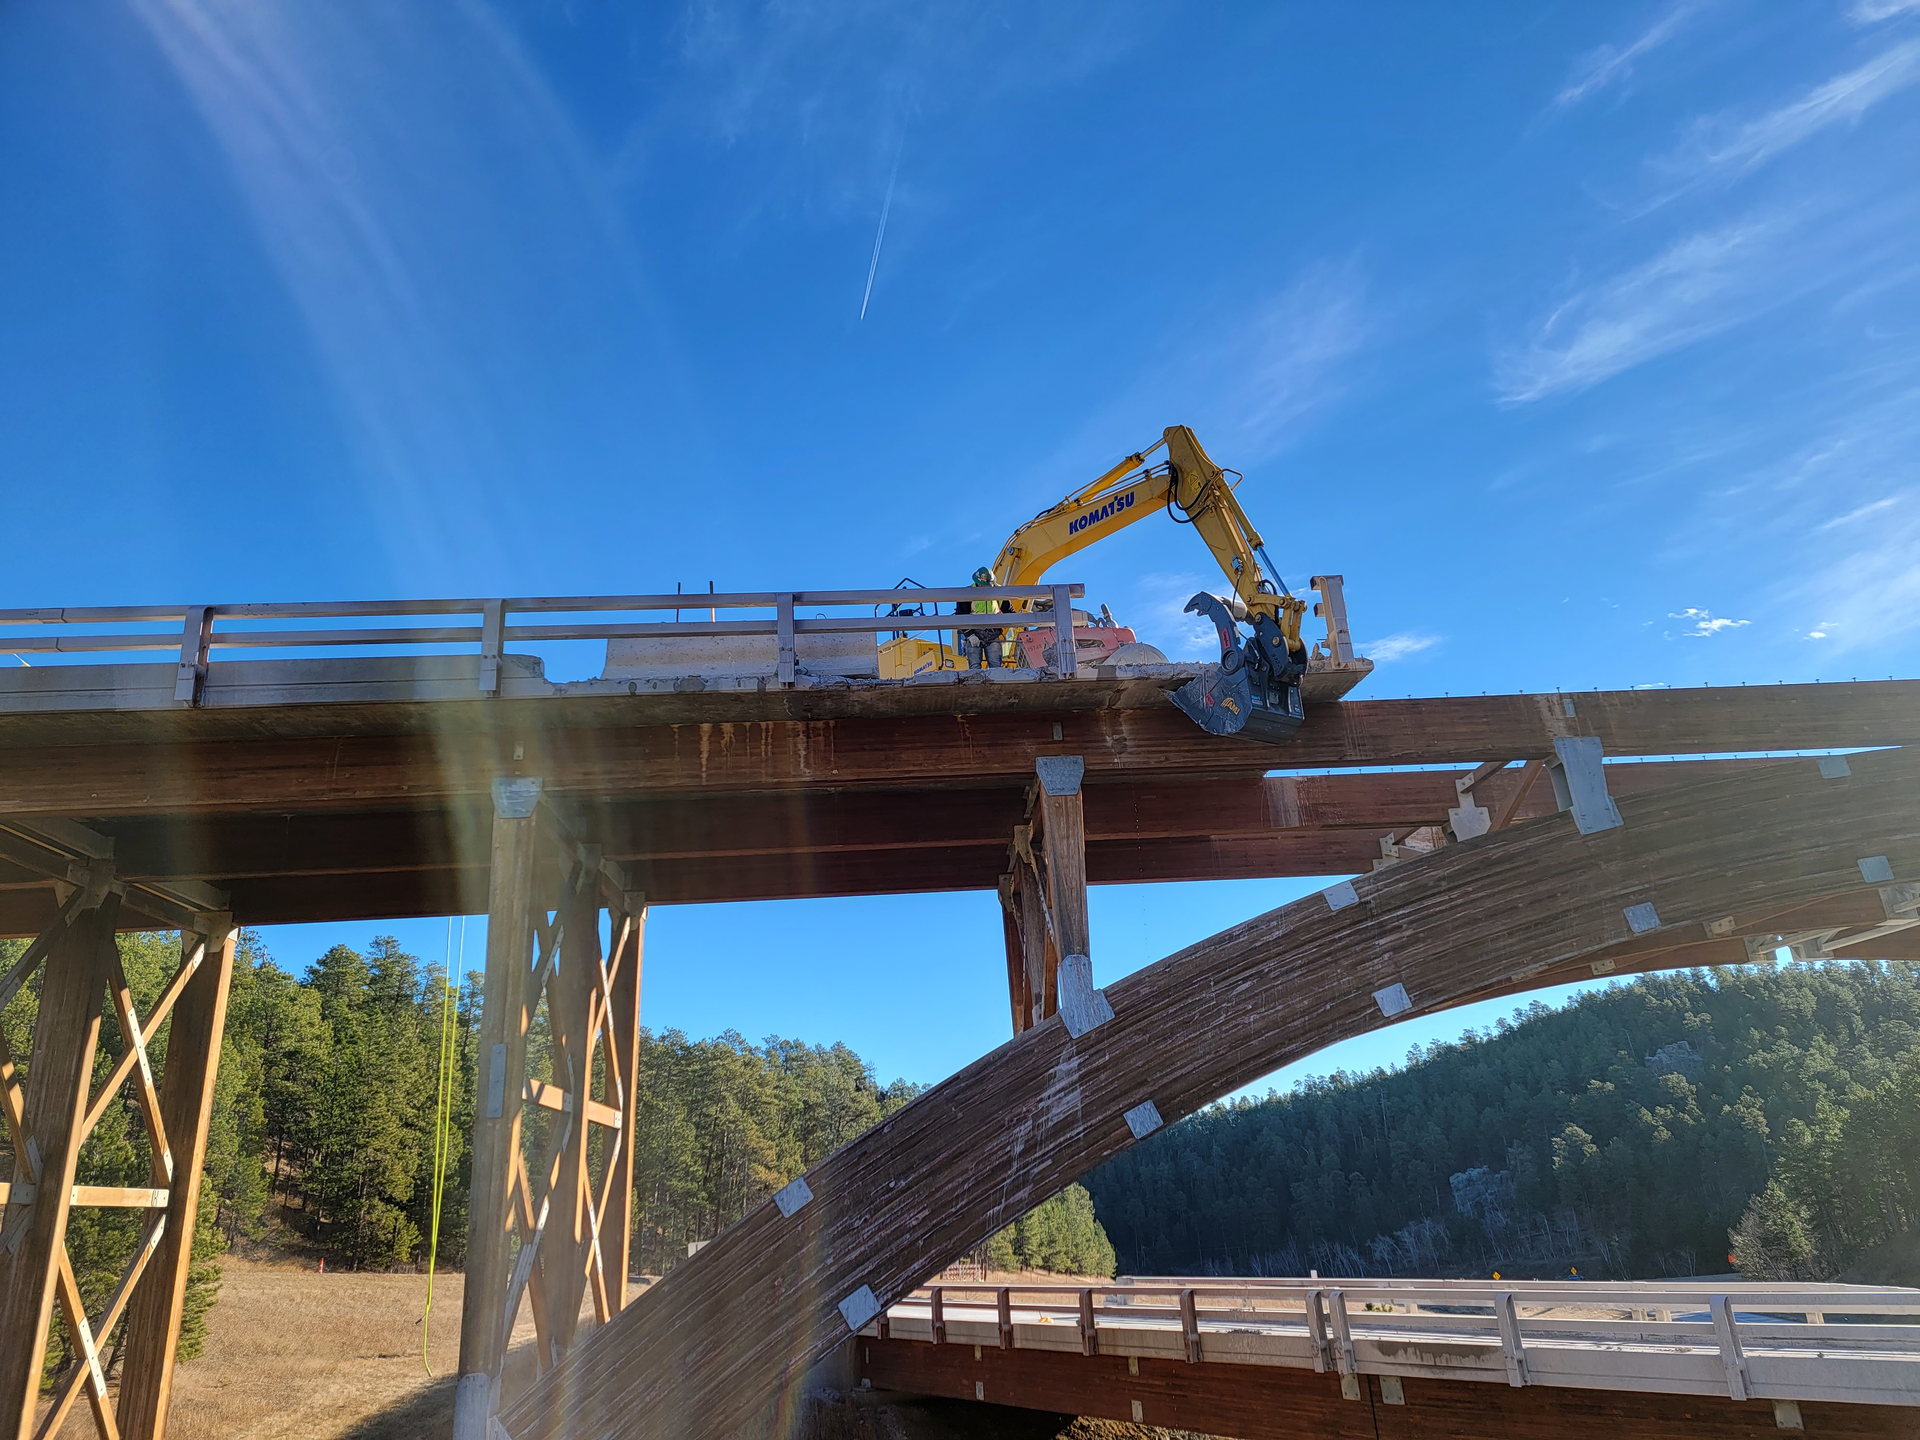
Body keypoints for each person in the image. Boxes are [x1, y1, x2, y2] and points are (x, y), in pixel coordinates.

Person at [955, 566, 1009, 669]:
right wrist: (970, 635)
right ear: (978, 584)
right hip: (974, 634)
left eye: (991, 585)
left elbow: (1009, 611)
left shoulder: (999, 592)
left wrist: (1020, 623)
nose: (989, 588)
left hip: (993, 633)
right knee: (975, 668)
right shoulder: (967, 594)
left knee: (996, 668)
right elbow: (961, 617)